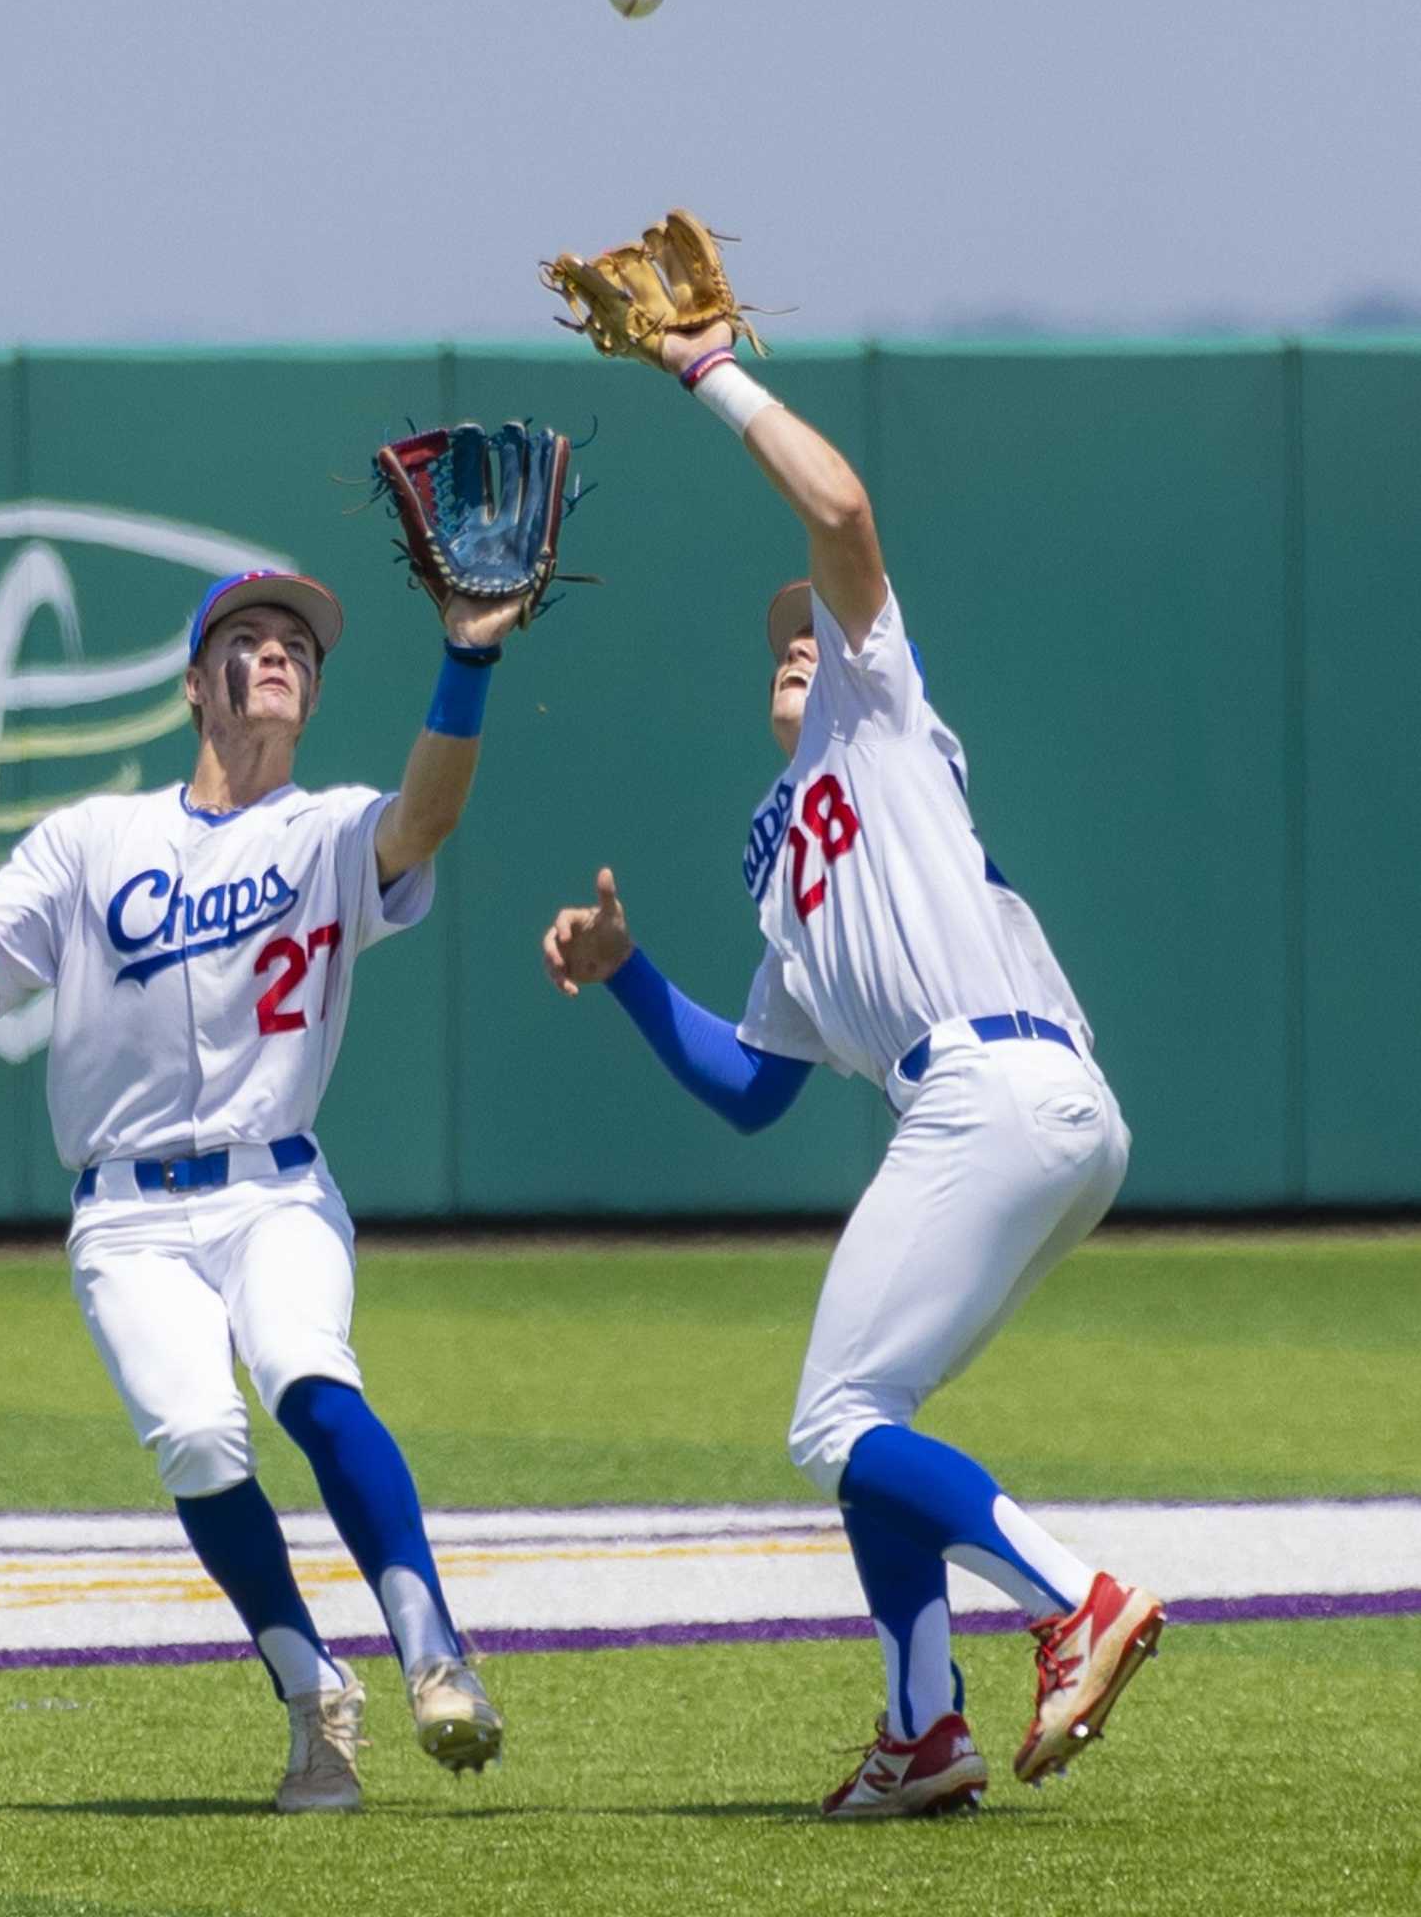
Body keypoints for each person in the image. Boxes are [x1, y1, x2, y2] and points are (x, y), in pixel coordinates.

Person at [541, 317, 1164, 1818]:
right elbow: (755, 1087)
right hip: (1031, 1111)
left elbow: (835, 516)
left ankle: (1070, 1598)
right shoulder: (786, 867)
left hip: (987, 1095)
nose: (801, 647)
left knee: (833, 1426)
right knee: (868, 1415)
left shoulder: (877, 714)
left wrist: (706, 372)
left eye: (815, 634)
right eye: (784, 645)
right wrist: (626, 978)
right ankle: (918, 1732)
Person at [0, 565, 520, 1814]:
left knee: (308, 1372)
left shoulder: (327, 829)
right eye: (248, 639)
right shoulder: (95, 837)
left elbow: (424, 820)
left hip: (276, 1189)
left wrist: (466, 657)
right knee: (201, 1439)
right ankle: (314, 1697)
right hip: (128, 1215)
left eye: (299, 646)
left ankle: (434, 1653)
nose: (279, 655)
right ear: (194, 684)